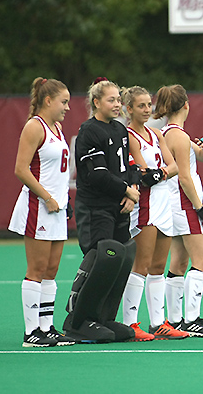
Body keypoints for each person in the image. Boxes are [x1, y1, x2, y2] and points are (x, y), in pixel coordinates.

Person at [64, 78, 141, 343]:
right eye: (112, 100)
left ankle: (104, 318)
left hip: (118, 205)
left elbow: (129, 166)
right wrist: (125, 190)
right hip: (96, 206)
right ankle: (79, 320)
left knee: (122, 258)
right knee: (103, 259)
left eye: (119, 99)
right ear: (96, 102)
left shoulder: (119, 129)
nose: (118, 104)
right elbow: (97, 174)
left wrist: (131, 190)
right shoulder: (89, 131)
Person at [11, 78, 76, 347]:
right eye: (64, 102)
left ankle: (47, 327)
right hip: (38, 207)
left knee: (51, 270)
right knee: (36, 269)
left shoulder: (57, 128)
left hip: (56, 209)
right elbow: (21, 169)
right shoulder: (34, 126)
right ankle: (31, 332)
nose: (67, 108)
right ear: (48, 101)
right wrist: (47, 197)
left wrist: (62, 200)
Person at [120, 86, 187, 340]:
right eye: (141, 106)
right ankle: (131, 323)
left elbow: (173, 166)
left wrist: (160, 173)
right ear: (129, 109)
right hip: (145, 206)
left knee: (158, 266)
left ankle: (158, 322)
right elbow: (143, 172)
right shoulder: (129, 136)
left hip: (163, 203)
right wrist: (158, 173)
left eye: (149, 105)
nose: (147, 110)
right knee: (142, 265)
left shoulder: (156, 133)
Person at [155, 84, 203, 338]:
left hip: (174, 205)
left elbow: (200, 157)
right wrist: (200, 208)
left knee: (179, 262)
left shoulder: (169, 132)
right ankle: (192, 319)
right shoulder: (178, 136)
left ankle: (175, 320)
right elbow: (184, 176)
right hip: (185, 204)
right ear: (186, 105)